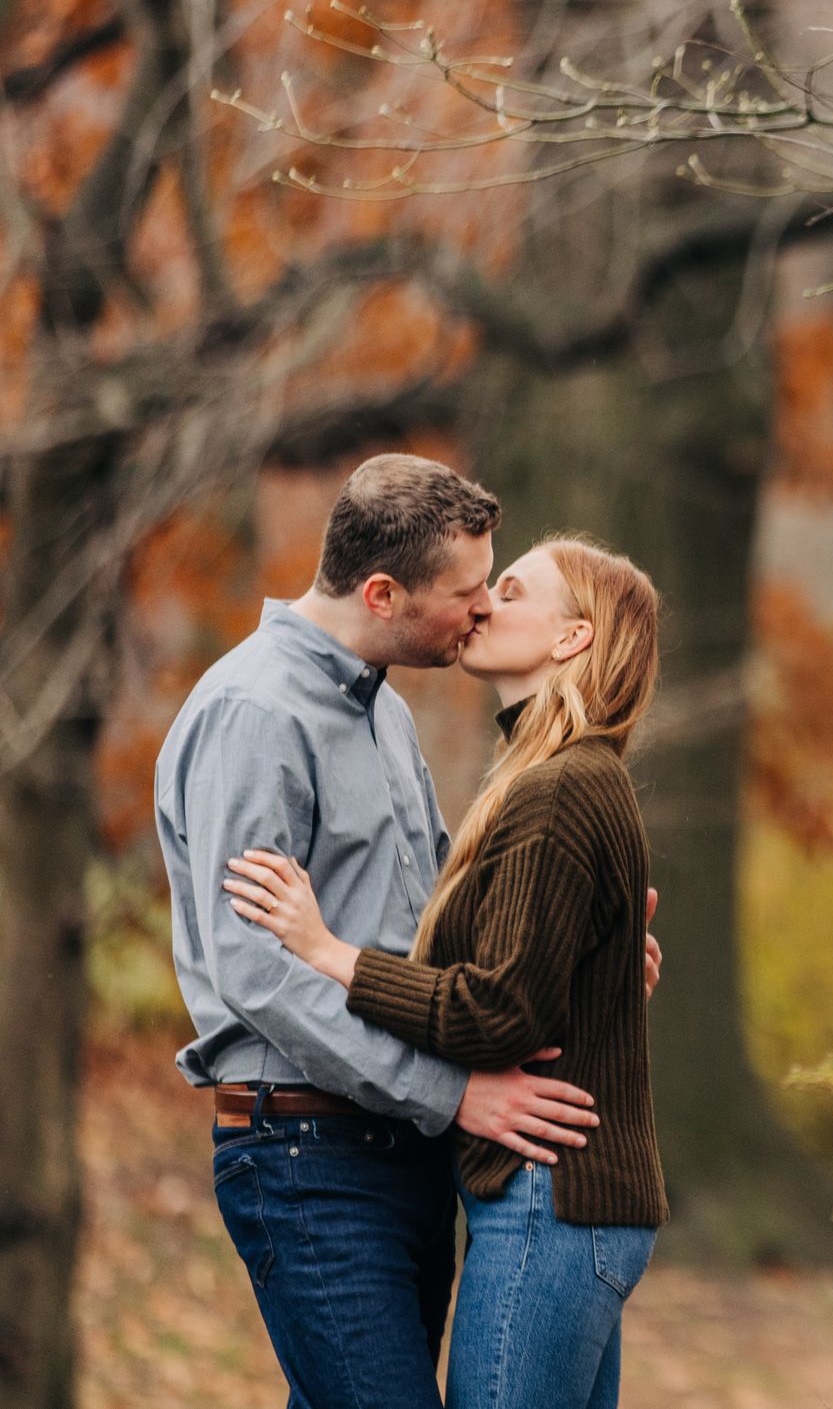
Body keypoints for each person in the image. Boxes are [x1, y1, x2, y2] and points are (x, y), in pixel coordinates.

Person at [156, 455, 658, 1409]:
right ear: (384, 594)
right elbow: (257, 971)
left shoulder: (384, 715)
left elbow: (439, 933)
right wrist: (451, 1091)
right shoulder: (253, 712)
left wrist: (568, 951)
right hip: (306, 1148)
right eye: (469, 592)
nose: (482, 608)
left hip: (405, 1151)